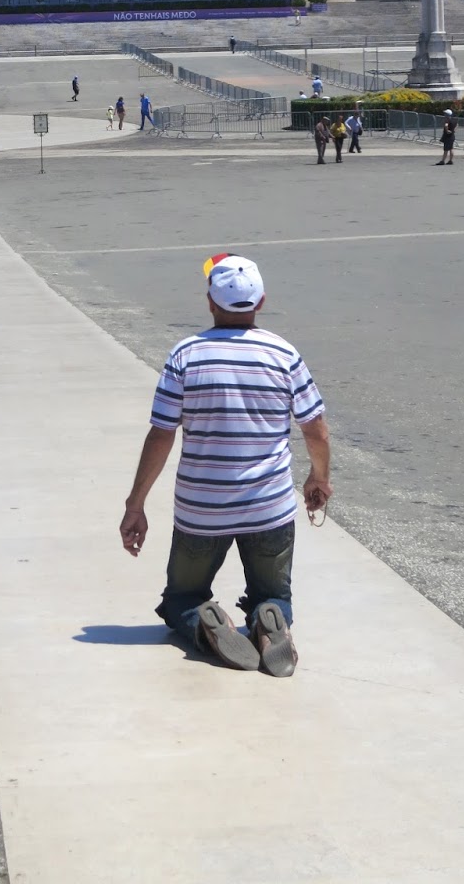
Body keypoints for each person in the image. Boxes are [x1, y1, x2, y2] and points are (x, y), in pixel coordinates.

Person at [119, 254, 330, 678]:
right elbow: (316, 431)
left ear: (210, 302)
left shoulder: (187, 355)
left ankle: (205, 622)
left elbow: (161, 435)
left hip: (202, 510)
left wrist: (135, 504)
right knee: (273, 592)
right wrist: (318, 478)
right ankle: (269, 617)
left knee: (181, 598)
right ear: (262, 301)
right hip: (268, 508)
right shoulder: (284, 354)